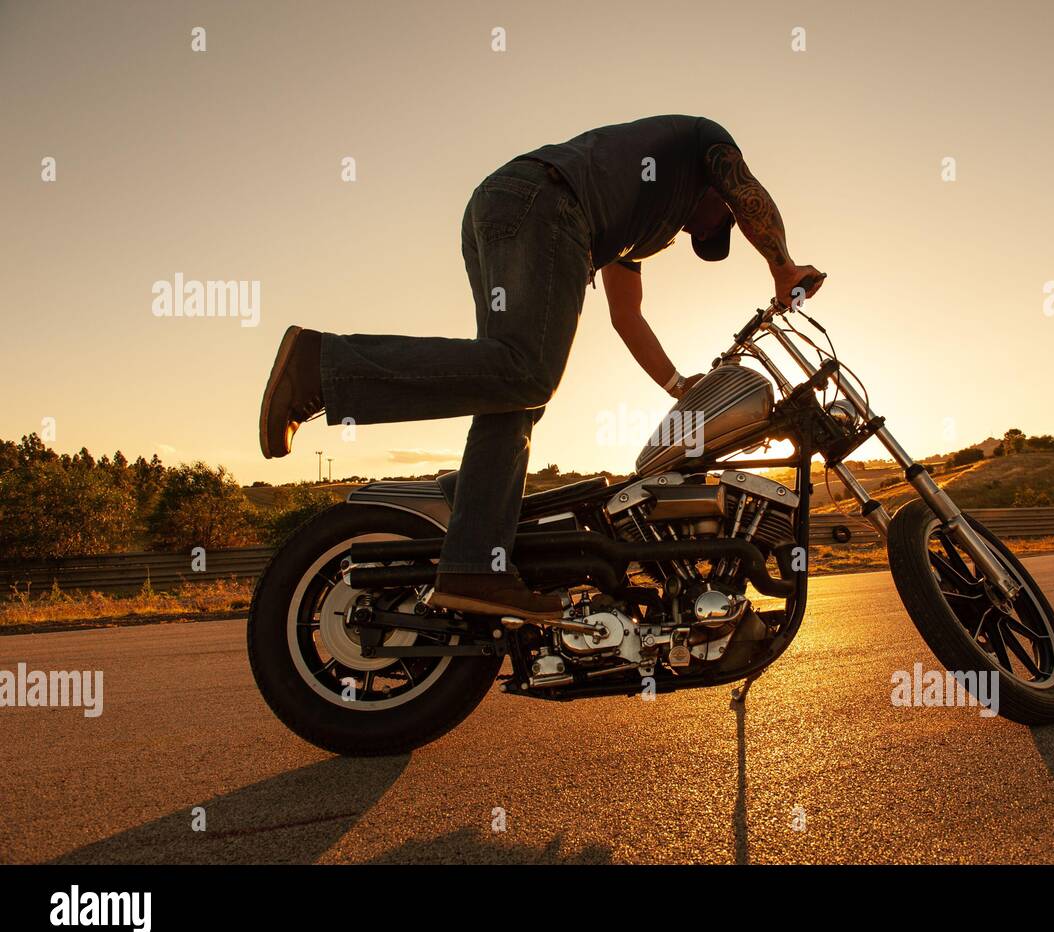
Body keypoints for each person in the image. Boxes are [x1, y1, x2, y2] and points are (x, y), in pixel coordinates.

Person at [258, 115, 825, 614]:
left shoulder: (644, 226)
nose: (701, 228)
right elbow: (748, 191)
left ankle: (474, 556)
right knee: (527, 372)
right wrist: (782, 265)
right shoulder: (706, 143)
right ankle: (323, 367)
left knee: (512, 389)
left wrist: (680, 386)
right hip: (546, 202)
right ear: (719, 195)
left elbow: (626, 317)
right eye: (716, 223)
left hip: (509, 206)